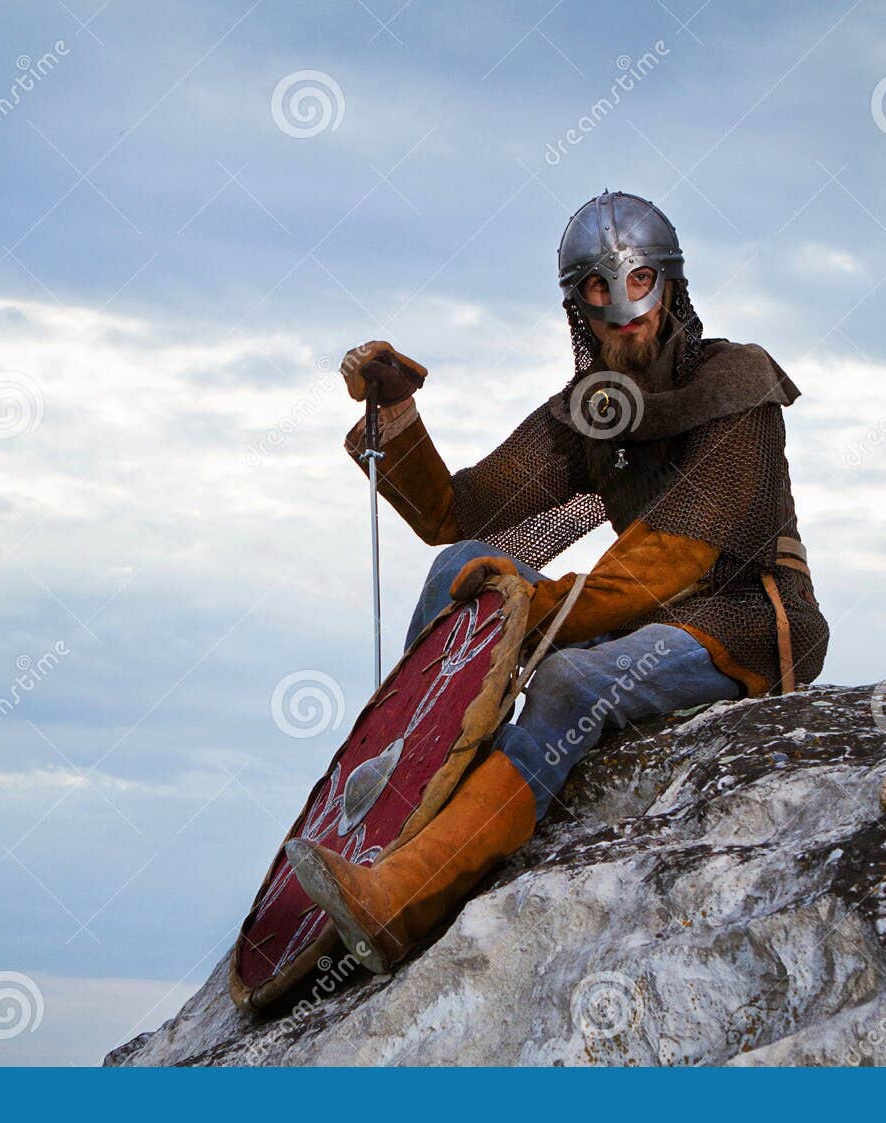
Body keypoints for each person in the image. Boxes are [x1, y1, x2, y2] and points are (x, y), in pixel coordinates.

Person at [284, 191, 828, 975]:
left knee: (570, 681)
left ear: (669, 285)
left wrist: (527, 607)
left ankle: (403, 897)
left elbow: (674, 559)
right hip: (644, 613)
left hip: (745, 617)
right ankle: (408, 788)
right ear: (579, 305)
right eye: (600, 290)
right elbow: (459, 511)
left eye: (639, 282)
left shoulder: (737, 384)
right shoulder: (590, 412)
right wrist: (397, 411)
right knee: (458, 565)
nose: (624, 310)